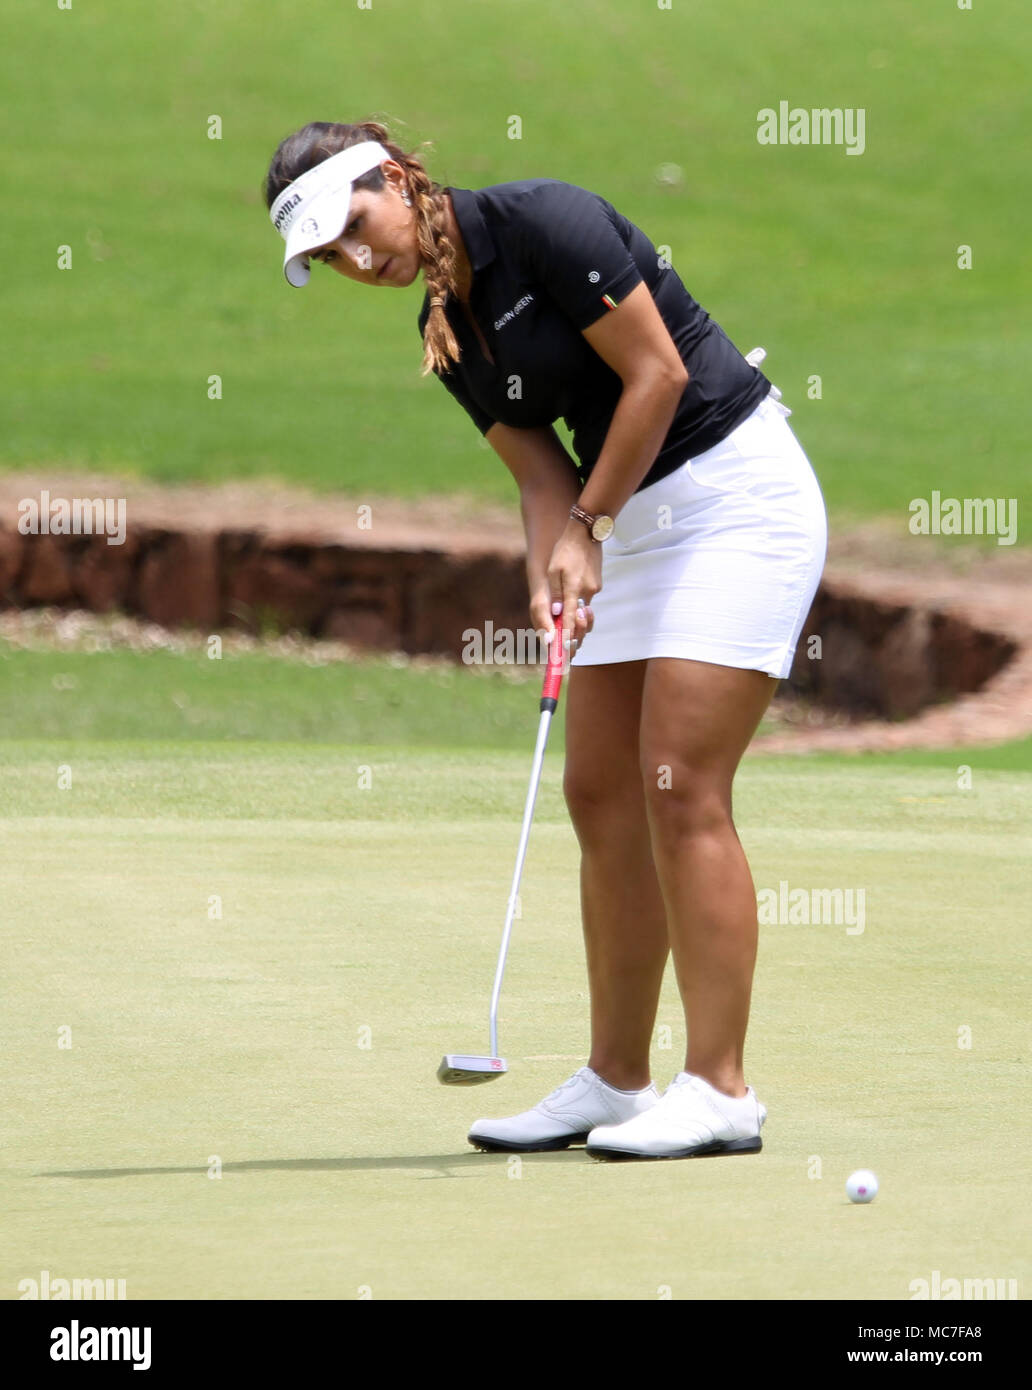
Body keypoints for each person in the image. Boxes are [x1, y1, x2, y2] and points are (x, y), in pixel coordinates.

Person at [264, 120, 828, 1161]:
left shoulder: (545, 221)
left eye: (356, 227)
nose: (359, 260)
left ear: (396, 177)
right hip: (627, 524)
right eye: (332, 259)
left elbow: (656, 377)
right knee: (599, 792)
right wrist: (549, 574)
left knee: (677, 781)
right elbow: (538, 478)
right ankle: (618, 1080)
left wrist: (587, 530)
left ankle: (723, 1089)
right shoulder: (447, 332)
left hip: (736, 500)